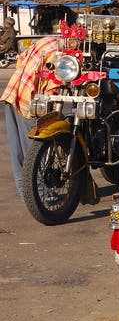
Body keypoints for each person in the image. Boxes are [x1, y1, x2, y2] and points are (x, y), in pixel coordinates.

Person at [0, 35, 62, 199]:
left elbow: (21, 59)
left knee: (18, 152)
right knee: (32, 154)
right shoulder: (61, 53)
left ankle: (27, 195)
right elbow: (53, 86)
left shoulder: (48, 40)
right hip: (30, 101)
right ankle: (41, 195)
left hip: (14, 92)